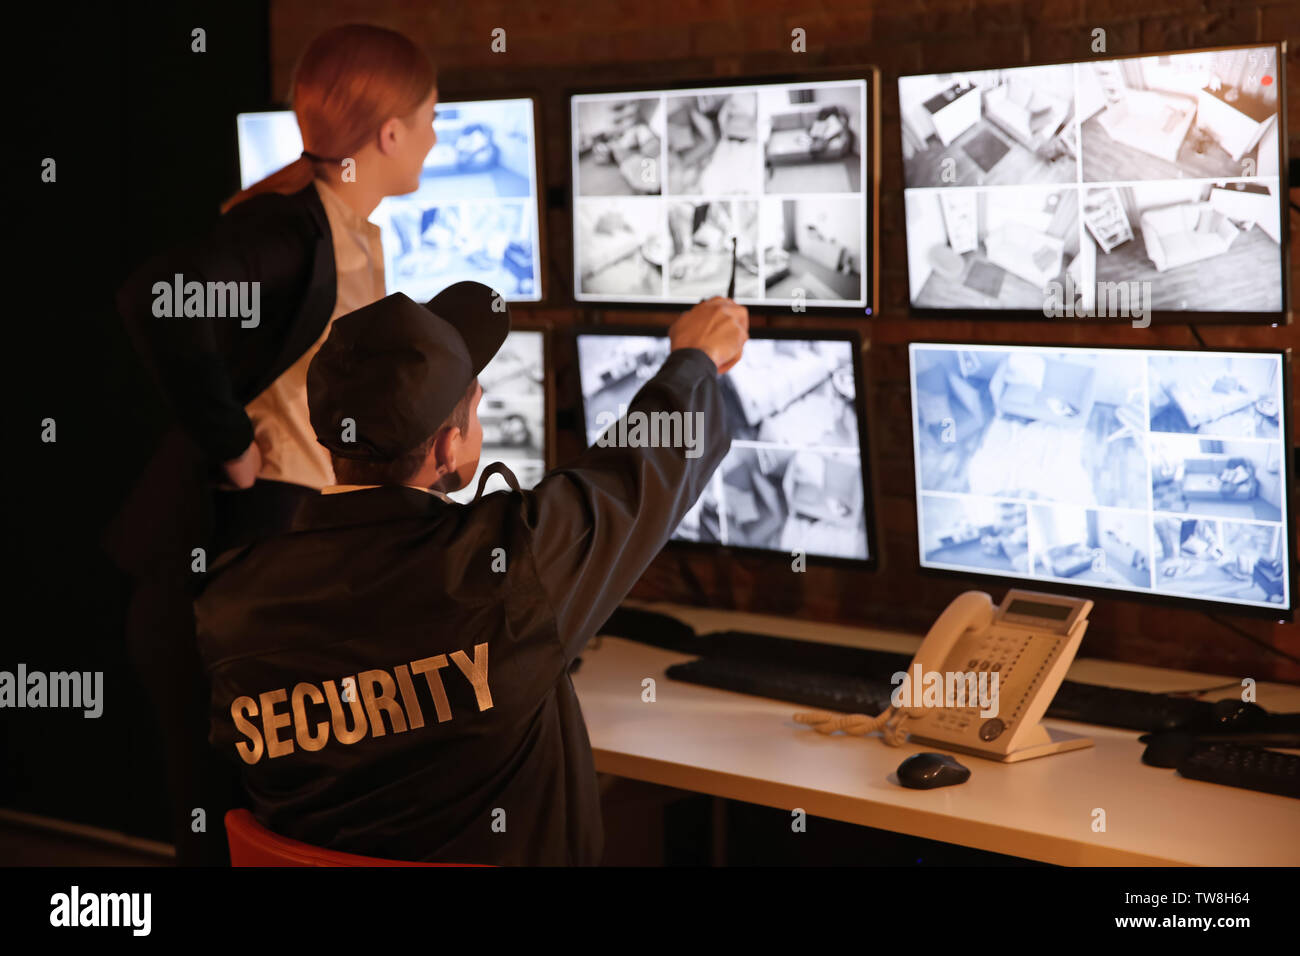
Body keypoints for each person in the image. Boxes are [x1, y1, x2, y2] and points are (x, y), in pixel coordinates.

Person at [194, 287, 749, 866]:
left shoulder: (227, 601)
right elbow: (644, 467)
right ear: (448, 446)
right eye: (477, 407)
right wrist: (695, 358)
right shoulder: (508, 566)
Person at [106, 24, 438, 865]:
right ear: (388, 135)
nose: (437, 137)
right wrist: (232, 446)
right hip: (216, 569)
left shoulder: (350, 223)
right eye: (430, 119)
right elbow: (157, 298)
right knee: (222, 830)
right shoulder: (291, 230)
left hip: (275, 556)